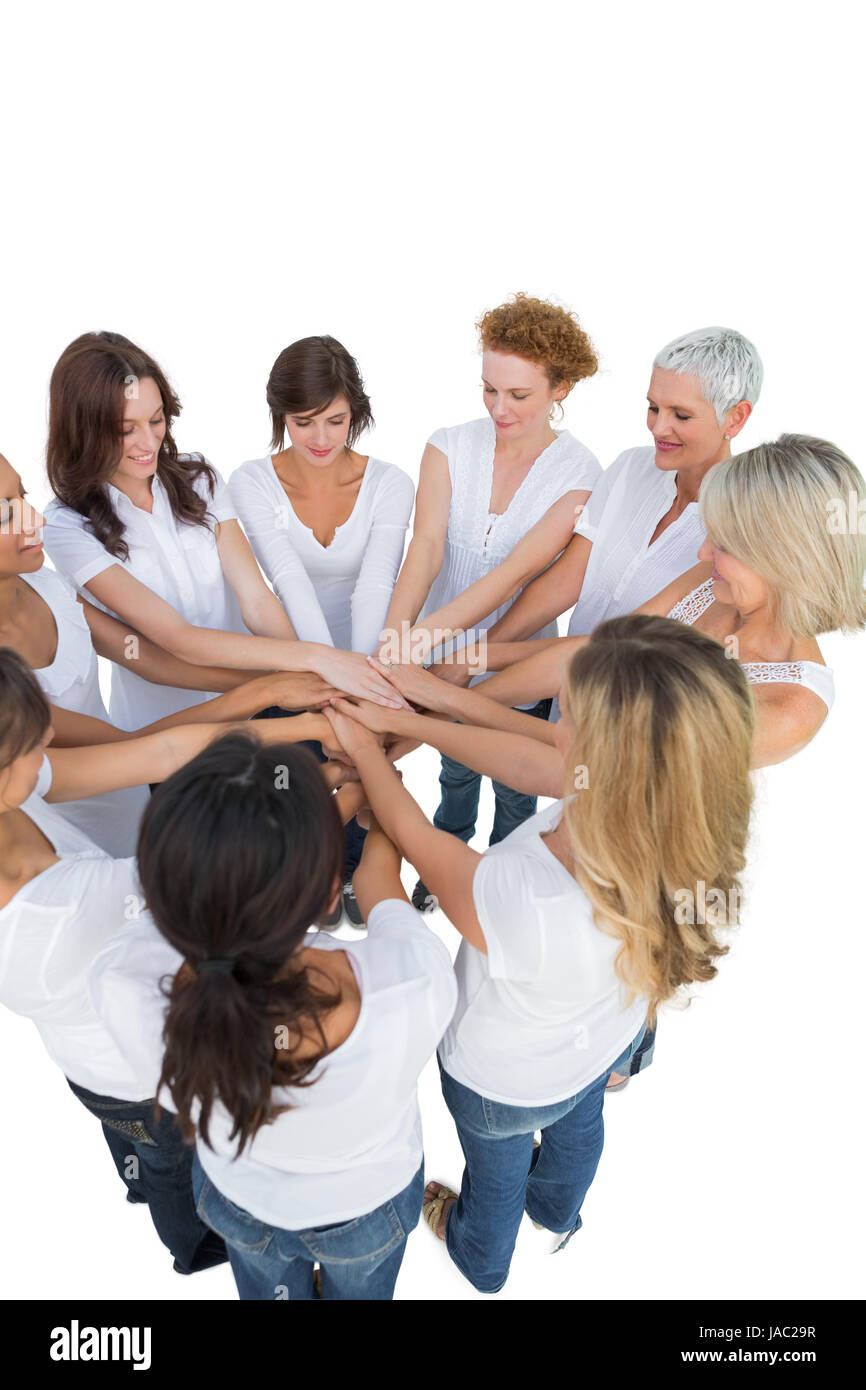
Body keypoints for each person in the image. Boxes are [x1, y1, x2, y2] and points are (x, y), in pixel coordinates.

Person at [322, 614, 755, 1293]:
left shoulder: (530, 899)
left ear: (598, 755)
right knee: (581, 1127)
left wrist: (371, 757)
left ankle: (481, 1260)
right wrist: (424, 714)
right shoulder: (664, 815)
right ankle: (559, 1212)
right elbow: (533, 761)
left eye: (567, 713)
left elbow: (417, 842)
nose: (553, 721)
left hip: (500, 1083)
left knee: (494, 1179)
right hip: (595, 1047)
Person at [0, 649, 355, 1273]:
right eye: (35, 740)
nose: (53, 733)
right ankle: (193, 1248)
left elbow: (162, 754)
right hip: (129, 1071)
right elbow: (239, 870)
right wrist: (335, 794)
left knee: (139, 1147)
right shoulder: (68, 908)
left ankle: (139, 1176)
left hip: (85, 1043)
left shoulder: (18, 793)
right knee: (171, 1158)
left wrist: (305, 728)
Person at [90, 736, 457, 1301]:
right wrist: (374, 808)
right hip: (363, 1210)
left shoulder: (122, 981)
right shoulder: (411, 979)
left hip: (241, 1201)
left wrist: (304, 823)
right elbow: (381, 883)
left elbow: (208, 878)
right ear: (331, 892)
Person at [41, 331, 402, 733]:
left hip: (263, 712)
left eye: (156, 420)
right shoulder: (67, 526)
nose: (149, 442)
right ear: (84, 429)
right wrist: (313, 664)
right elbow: (178, 639)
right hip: (166, 727)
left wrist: (311, 680)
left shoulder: (199, 479)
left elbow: (257, 600)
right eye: (126, 429)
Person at [378, 293, 602, 908]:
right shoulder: (448, 445)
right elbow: (423, 549)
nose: (500, 409)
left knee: (515, 779)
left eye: (520, 396)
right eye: (489, 390)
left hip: (514, 657)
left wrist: (432, 643)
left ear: (561, 388)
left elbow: (513, 576)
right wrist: (398, 636)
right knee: (453, 766)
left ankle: (507, 874)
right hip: (437, 642)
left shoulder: (582, 472)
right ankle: (446, 853)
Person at [0, 453, 339, 854]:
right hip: (67, 844)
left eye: (23, 495)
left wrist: (275, 684)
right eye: (5, 515)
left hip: (136, 807)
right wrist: (272, 697)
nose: (35, 519)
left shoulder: (45, 584)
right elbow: (130, 745)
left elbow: (152, 661)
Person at [228, 335, 415, 922]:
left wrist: (358, 692)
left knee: (365, 777)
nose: (320, 439)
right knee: (298, 781)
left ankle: (359, 875)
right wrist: (324, 678)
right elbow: (287, 581)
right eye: (303, 421)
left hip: (370, 664)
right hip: (290, 663)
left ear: (355, 412)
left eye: (335, 420)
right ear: (280, 415)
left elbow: (376, 588)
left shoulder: (389, 483)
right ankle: (310, 880)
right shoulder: (252, 481)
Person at [458, 326, 762, 672]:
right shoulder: (630, 469)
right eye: (653, 408)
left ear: (736, 418)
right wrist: (473, 661)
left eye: (681, 415)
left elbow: (630, 645)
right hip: (554, 698)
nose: (659, 428)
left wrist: (474, 662)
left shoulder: (746, 529)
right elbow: (563, 582)